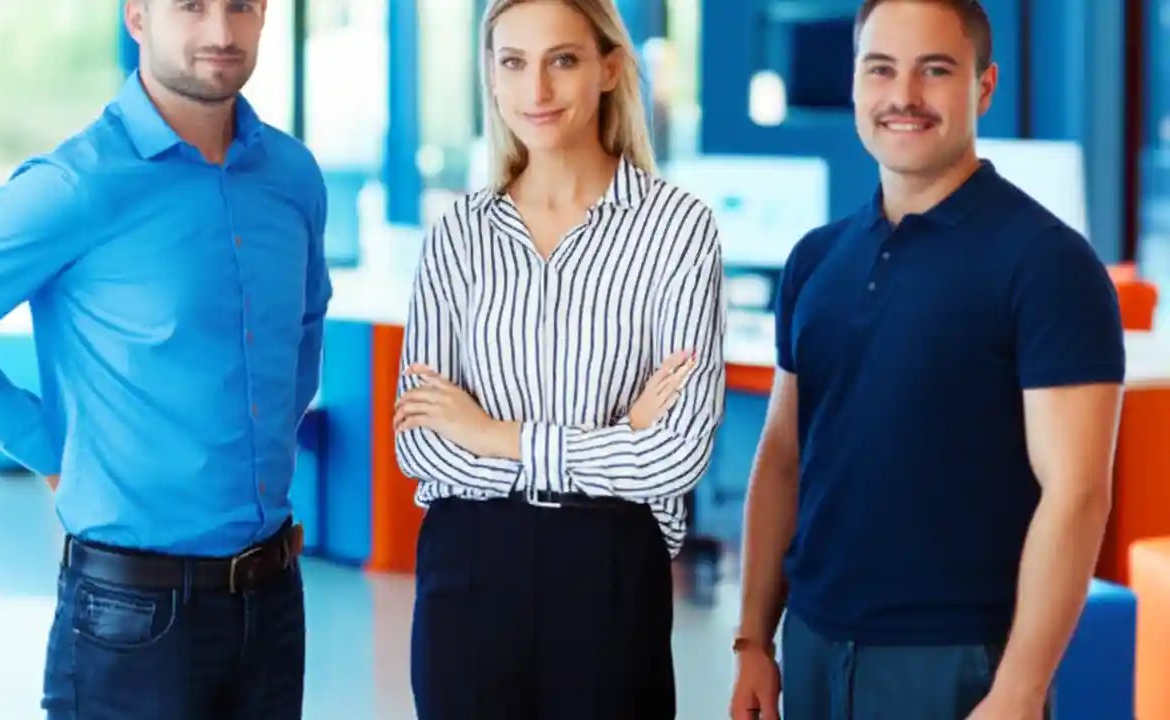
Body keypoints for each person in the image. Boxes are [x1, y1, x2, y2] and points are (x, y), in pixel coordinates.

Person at [0, 1, 330, 717]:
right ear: (137, 17)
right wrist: (52, 449)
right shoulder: (78, 183)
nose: (221, 32)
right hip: (133, 619)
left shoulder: (293, 175)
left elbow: (304, 324)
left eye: (241, 7)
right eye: (192, 6)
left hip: (273, 601)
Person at [727, 1, 1126, 719]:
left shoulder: (1049, 265)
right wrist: (753, 640)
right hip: (814, 647)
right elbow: (784, 454)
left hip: (958, 662)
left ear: (984, 85)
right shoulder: (816, 258)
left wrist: (1019, 689)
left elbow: (1077, 494)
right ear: (855, 84)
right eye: (881, 69)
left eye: (934, 70)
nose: (903, 96)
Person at [391, 1, 725, 718]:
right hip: (467, 572)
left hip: (609, 568)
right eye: (513, 62)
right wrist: (614, 440)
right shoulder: (459, 234)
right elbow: (419, 442)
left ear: (609, 67)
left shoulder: (678, 231)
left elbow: (677, 457)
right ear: (492, 76)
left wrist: (488, 433)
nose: (536, 91)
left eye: (562, 60)